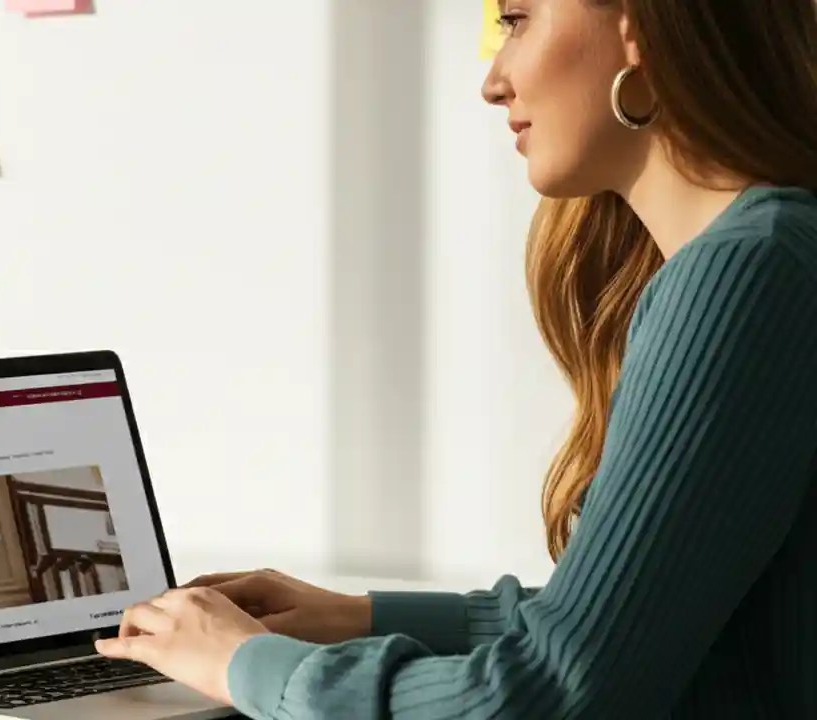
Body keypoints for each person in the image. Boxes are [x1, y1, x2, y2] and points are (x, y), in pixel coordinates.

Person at [94, 0, 817, 717]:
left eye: (516, 20)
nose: (493, 80)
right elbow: (644, 625)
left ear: (636, 26)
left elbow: (551, 695)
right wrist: (357, 616)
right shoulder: (776, 251)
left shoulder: (745, 273)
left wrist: (246, 666)